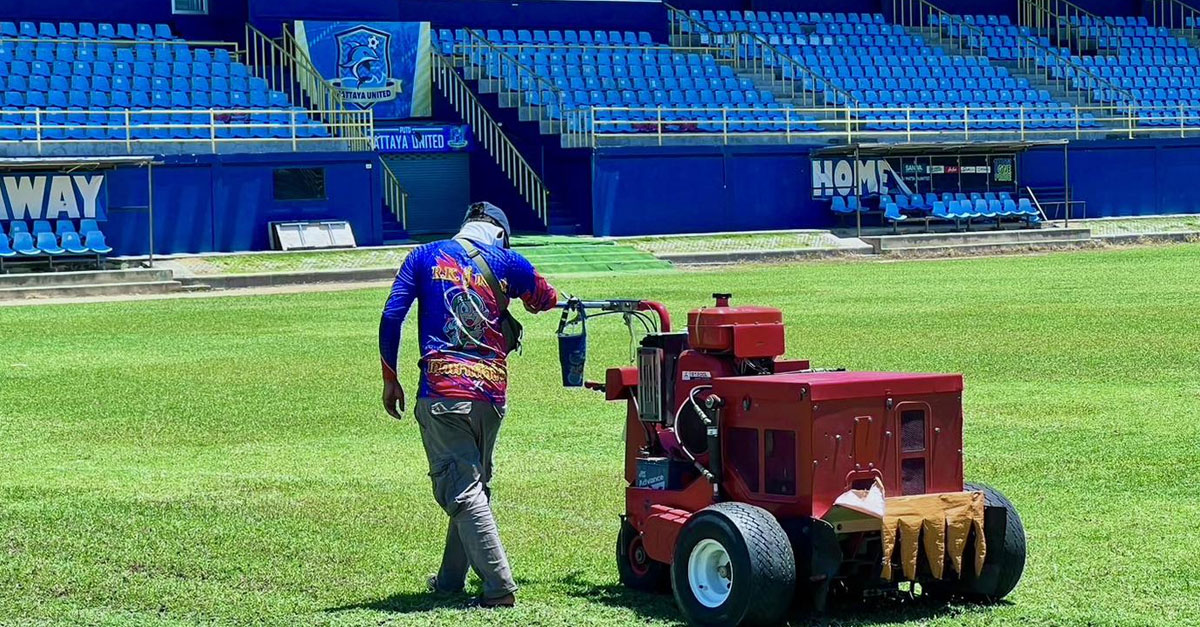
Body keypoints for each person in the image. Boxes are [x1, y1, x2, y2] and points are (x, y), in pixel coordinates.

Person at [378, 202, 559, 608]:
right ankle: (449, 581)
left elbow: (392, 316)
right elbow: (545, 297)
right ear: (499, 233)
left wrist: (391, 377)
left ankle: (499, 588)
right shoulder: (509, 261)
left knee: (461, 489)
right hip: (492, 395)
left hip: (443, 391)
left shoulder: (424, 256)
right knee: (471, 484)